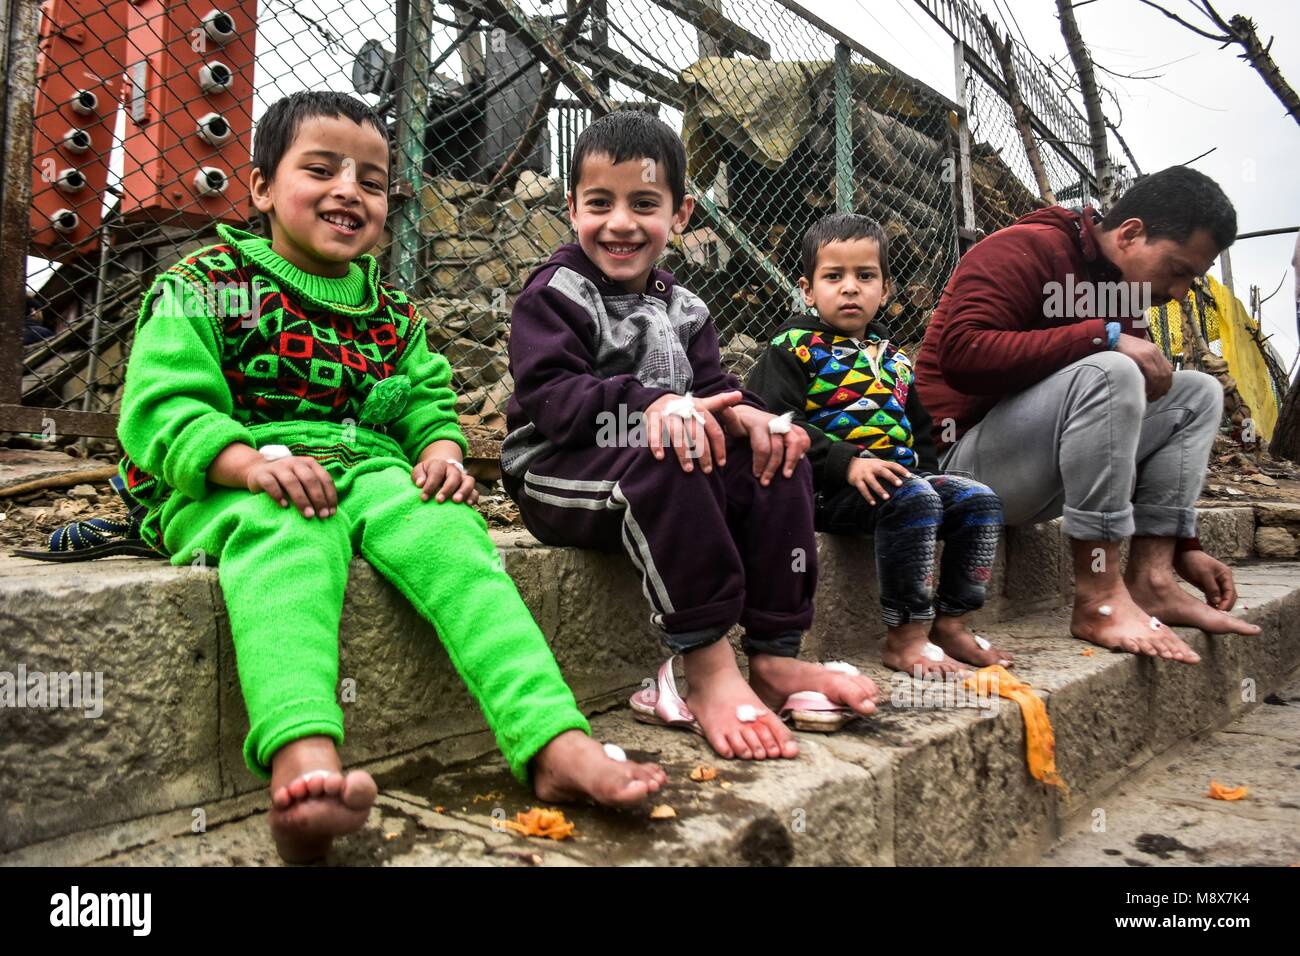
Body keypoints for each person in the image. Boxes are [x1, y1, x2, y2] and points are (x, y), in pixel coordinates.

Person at [115, 91, 665, 863]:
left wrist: (440, 452)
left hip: (368, 471)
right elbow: (163, 403)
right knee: (290, 536)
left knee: (449, 533)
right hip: (235, 477)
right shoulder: (213, 280)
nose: (349, 190)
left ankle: (551, 737)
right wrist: (246, 464)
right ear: (262, 187)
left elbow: (426, 401)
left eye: (371, 181)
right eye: (321, 169)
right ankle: (302, 760)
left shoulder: (391, 311)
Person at [501, 111, 880, 761]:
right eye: (600, 203)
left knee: (779, 456)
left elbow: (714, 386)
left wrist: (752, 416)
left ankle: (774, 656)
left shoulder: (687, 308)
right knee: (670, 458)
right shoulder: (555, 292)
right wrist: (653, 404)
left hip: (653, 463)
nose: (620, 222)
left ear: (680, 215)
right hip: (558, 470)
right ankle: (704, 668)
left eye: (644, 204)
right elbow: (553, 399)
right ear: (571, 209)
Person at [913, 167, 1260, 664]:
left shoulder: (1122, 288)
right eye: (1179, 270)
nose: (1181, 291)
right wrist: (1104, 337)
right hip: (963, 472)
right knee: (1113, 369)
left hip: (1044, 476)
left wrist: (1184, 543)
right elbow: (963, 353)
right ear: (1131, 232)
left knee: (1197, 394)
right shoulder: (1020, 248)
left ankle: (1153, 580)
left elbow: (1130, 413)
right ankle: (1098, 595)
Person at [748, 213, 1011, 677]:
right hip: (826, 490)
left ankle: (952, 622)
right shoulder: (793, 348)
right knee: (913, 497)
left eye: (865, 276)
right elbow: (775, 423)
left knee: (979, 500)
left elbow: (920, 431)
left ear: (885, 290)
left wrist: (930, 477)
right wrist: (846, 463)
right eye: (834, 276)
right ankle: (906, 635)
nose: (850, 288)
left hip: (902, 488)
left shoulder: (896, 360)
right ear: (808, 290)